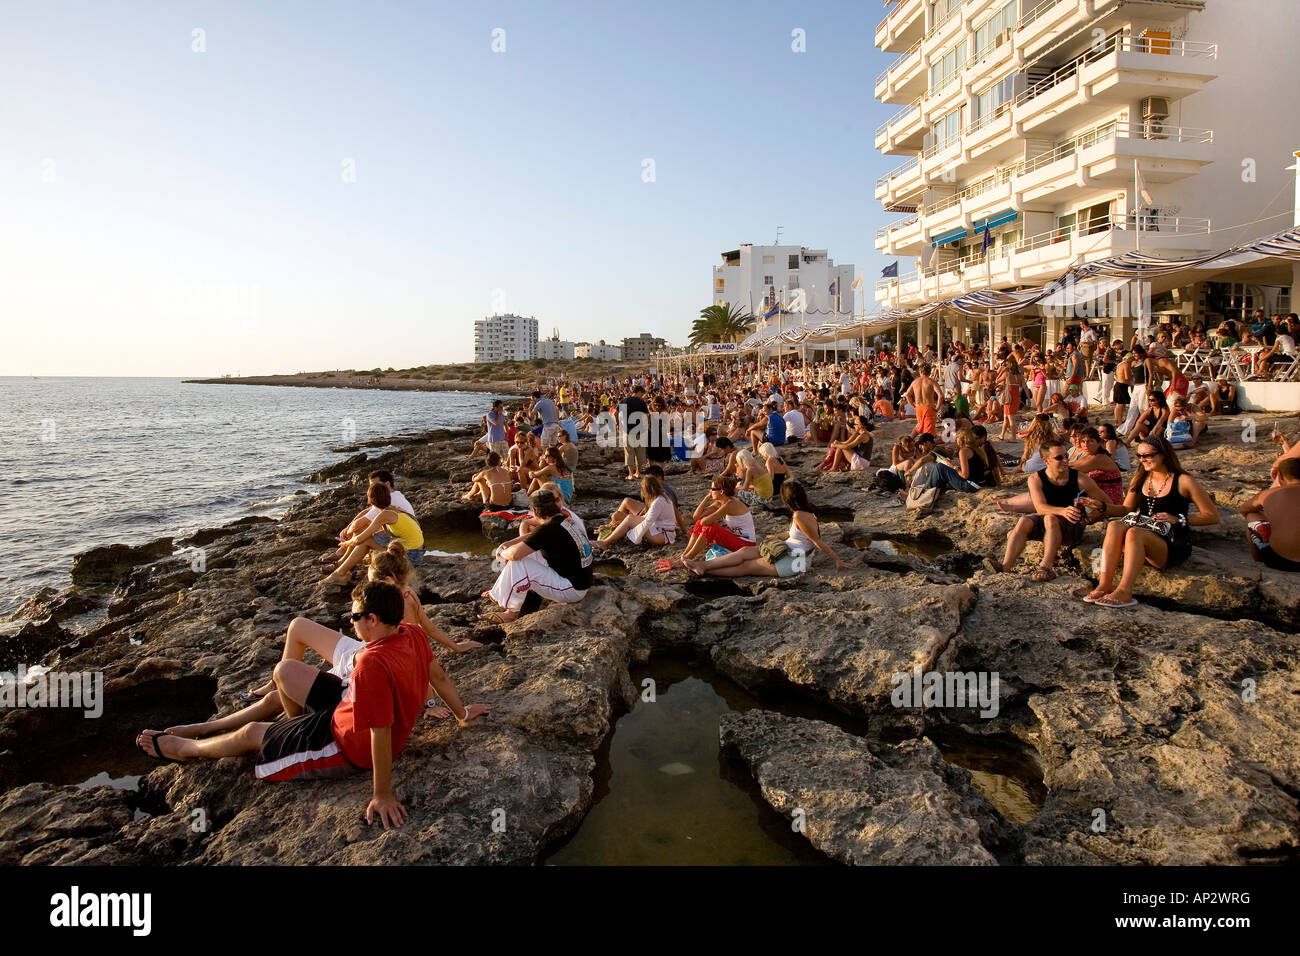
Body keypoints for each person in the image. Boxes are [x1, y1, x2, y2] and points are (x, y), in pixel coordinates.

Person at [136, 581, 448, 830]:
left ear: (373, 620)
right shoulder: (413, 632)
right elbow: (442, 679)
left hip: (344, 745)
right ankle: (210, 727)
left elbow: (380, 732)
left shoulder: (371, 664)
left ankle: (186, 749)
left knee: (251, 733)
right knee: (284, 674)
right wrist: (461, 714)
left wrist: (381, 793)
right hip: (345, 709)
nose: (349, 622)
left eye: (353, 617)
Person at [1085, 436, 1219, 608]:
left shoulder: (1184, 480)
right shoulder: (1140, 478)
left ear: (1163, 454)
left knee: (1135, 532)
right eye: (1139, 456)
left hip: (1171, 542)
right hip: (1143, 537)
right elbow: (1126, 510)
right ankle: (1105, 585)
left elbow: (1212, 516)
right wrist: (1102, 506)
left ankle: (1125, 591)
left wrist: (1178, 519)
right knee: (1115, 525)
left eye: (1147, 456)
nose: (1143, 460)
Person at [989, 439, 1109, 580]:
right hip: (1051, 520)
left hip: (1072, 526)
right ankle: (1005, 566)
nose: (1065, 460)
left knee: (1050, 518)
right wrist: (1062, 511)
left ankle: (1046, 567)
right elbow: (1040, 508)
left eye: (1066, 456)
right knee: (1024, 521)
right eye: (1059, 457)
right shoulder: (1036, 479)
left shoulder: (1080, 479)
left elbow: (1107, 503)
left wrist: (1091, 517)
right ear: (1046, 461)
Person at [682, 482, 855, 579]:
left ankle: (705, 568)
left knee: (745, 566)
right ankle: (702, 565)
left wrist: (837, 560)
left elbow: (817, 541)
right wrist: (776, 536)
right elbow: (795, 534)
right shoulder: (805, 511)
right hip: (787, 549)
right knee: (744, 551)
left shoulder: (799, 516)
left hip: (795, 562)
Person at [484, 488, 592, 624]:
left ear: (534, 511)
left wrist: (503, 552)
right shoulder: (565, 520)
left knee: (519, 562)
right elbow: (533, 538)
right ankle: (499, 592)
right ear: (557, 503)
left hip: (572, 590)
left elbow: (515, 555)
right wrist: (510, 543)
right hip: (581, 581)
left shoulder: (548, 529)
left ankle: (511, 612)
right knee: (529, 552)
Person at [326, 483, 425, 584]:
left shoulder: (384, 515)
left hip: (412, 556)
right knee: (369, 539)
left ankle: (339, 574)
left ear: (371, 500)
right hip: (417, 552)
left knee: (365, 542)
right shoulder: (394, 509)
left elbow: (360, 539)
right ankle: (342, 568)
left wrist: (345, 543)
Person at [327, 471, 417, 564]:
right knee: (361, 530)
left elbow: (359, 524)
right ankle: (343, 557)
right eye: (371, 486)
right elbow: (367, 511)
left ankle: (343, 559)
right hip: (402, 539)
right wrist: (348, 527)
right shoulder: (392, 496)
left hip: (408, 549)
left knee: (361, 532)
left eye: (374, 485)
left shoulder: (392, 500)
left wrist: (346, 536)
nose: (372, 488)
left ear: (387, 484)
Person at [1241, 458, 1300, 571]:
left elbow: (1244, 509)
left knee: (1252, 515)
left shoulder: (1269, 493)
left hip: (1278, 560)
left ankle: (1258, 562)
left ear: (1281, 477)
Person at [680, 475, 757, 561]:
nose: (710, 491)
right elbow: (696, 516)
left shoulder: (730, 504)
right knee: (700, 522)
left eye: (713, 489)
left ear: (721, 491)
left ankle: (688, 557)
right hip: (737, 536)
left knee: (711, 527)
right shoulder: (720, 502)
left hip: (746, 544)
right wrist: (706, 498)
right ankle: (685, 554)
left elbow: (704, 522)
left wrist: (704, 522)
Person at [595, 475, 678, 550]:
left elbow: (647, 522)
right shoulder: (661, 497)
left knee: (630, 519)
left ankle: (605, 543)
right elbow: (647, 517)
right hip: (660, 531)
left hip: (663, 536)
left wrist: (632, 532)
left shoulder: (658, 501)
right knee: (621, 517)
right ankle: (610, 534)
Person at [619, 385, 650, 480]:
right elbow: (646, 415)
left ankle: (630, 475)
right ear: (639, 392)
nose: (643, 396)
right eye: (643, 394)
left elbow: (616, 413)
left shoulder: (624, 400)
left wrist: (619, 424)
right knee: (640, 452)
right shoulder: (641, 402)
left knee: (629, 452)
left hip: (627, 430)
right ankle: (638, 472)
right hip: (640, 431)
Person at [905, 365, 940, 437]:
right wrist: (937, 408)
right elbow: (941, 395)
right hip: (928, 407)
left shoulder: (915, 382)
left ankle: (911, 439)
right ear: (930, 372)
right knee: (929, 434)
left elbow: (907, 395)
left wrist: (913, 406)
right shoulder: (931, 381)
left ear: (920, 371)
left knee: (920, 426)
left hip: (918, 408)